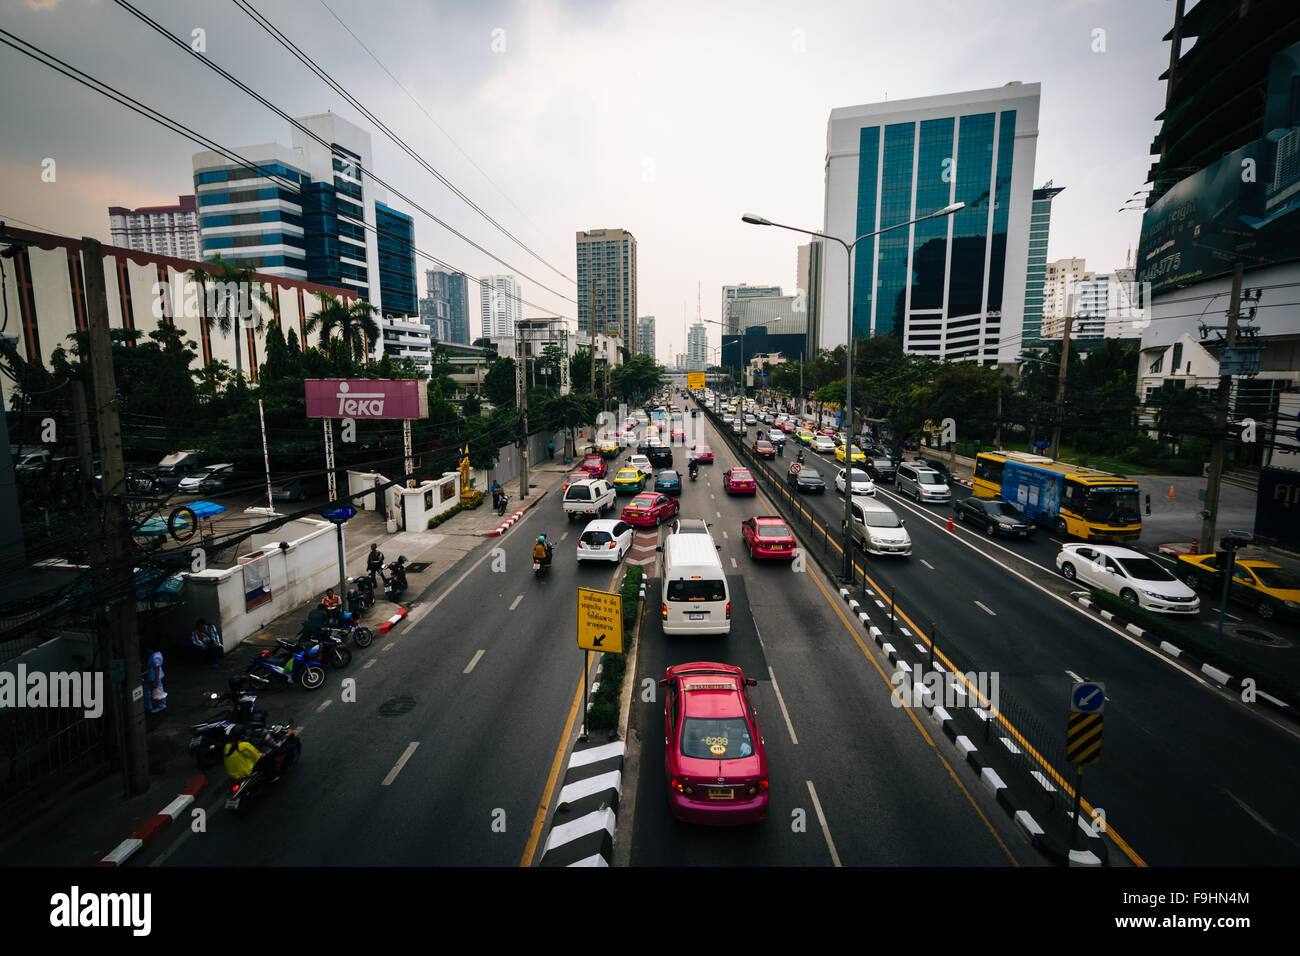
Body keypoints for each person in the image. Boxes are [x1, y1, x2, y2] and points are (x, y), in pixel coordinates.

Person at [144, 643, 166, 713]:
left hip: (154, 677)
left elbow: (157, 669)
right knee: (149, 691)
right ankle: (149, 705)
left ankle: (161, 705)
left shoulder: (155, 657)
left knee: (158, 692)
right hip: (152, 676)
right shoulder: (157, 654)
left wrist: (156, 681)